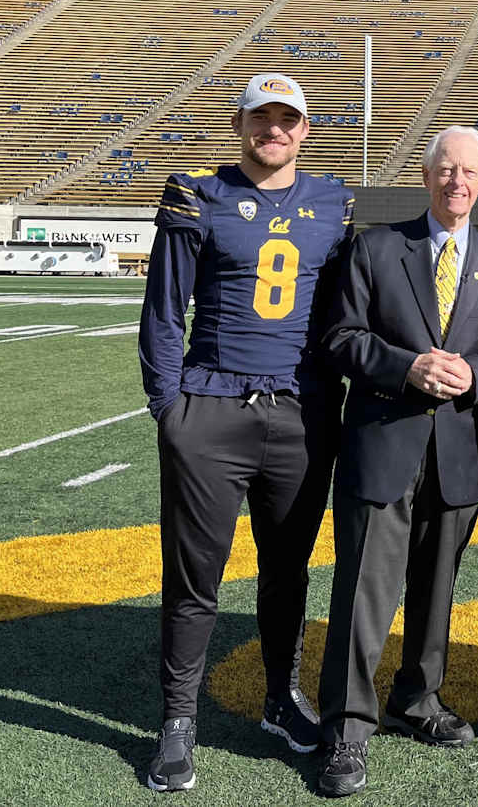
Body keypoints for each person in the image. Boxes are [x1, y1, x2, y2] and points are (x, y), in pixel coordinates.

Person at [137, 72, 353, 792]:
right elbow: (165, 312)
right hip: (212, 408)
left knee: (288, 570)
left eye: (287, 119)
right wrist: (171, 408)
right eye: (262, 118)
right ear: (240, 124)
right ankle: (177, 722)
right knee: (195, 579)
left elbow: (341, 313)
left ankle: (278, 700)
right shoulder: (199, 192)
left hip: (299, 412)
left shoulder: (331, 201)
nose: (275, 131)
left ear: (305, 129)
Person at [315, 126, 478, 798]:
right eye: (445, 170)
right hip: (383, 443)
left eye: (468, 171)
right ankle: (346, 727)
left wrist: (475, 373)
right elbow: (340, 338)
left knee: (438, 588)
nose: (456, 181)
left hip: (459, 451)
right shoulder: (377, 247)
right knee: (364, 593)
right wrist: (409, 367)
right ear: (426, 178)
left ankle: (418, 698)